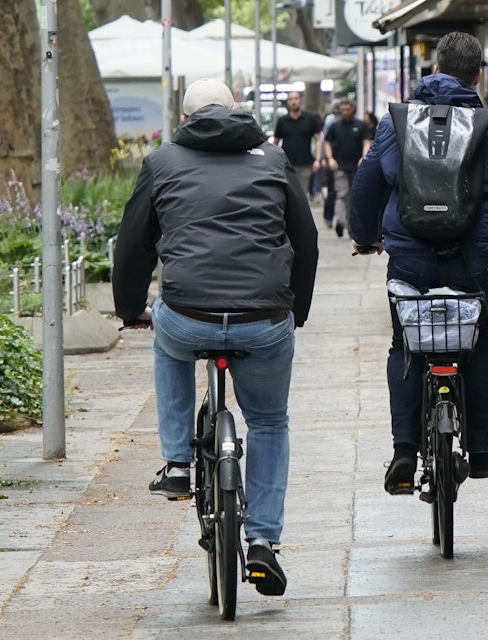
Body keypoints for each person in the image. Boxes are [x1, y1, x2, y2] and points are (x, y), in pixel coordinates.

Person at [112, 78, 319, 597]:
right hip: (264, 318)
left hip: (188, 313)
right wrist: (297, 310)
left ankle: (179, 463)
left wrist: (130, 308)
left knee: (166, 334)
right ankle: (264, 543)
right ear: (238, 111)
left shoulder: (161, 162)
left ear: (183, 118)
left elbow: (134, 244)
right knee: (270, 420)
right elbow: (306, 239)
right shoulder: (273, 160)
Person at [348, 31, 488, 494]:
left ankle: (405, 451)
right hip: (473, 260)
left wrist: (366, 237)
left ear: (433, 69)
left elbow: (368, 184)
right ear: (477, 76)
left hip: (409, 257)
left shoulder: (396, 122)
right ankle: (482, 448)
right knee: (476, 337)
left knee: (405, 345)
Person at [318, 99, 371, 237]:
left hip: (356, 167)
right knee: (342, 195)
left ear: (352, 109)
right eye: (343, 110)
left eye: (348, 109)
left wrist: (364, 157)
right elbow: (327, 143)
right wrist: (330, 158)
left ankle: (350, 223)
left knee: (354, 197)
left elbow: (366, 142)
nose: (345, 112)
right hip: (340, 166)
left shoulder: (361, 125)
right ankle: (342, 222)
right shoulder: (335, 126)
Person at [270, 91, 324, 209]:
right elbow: (275, 142)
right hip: (286, 163)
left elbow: (318, 140)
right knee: (288, 194)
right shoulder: (282, 121)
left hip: (305, 163)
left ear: (301, 100)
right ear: (288, 102)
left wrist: (318, 159)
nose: (293, 101)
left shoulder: (310, 119)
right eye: (290, 99)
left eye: (296, 98)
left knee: (302, 194)